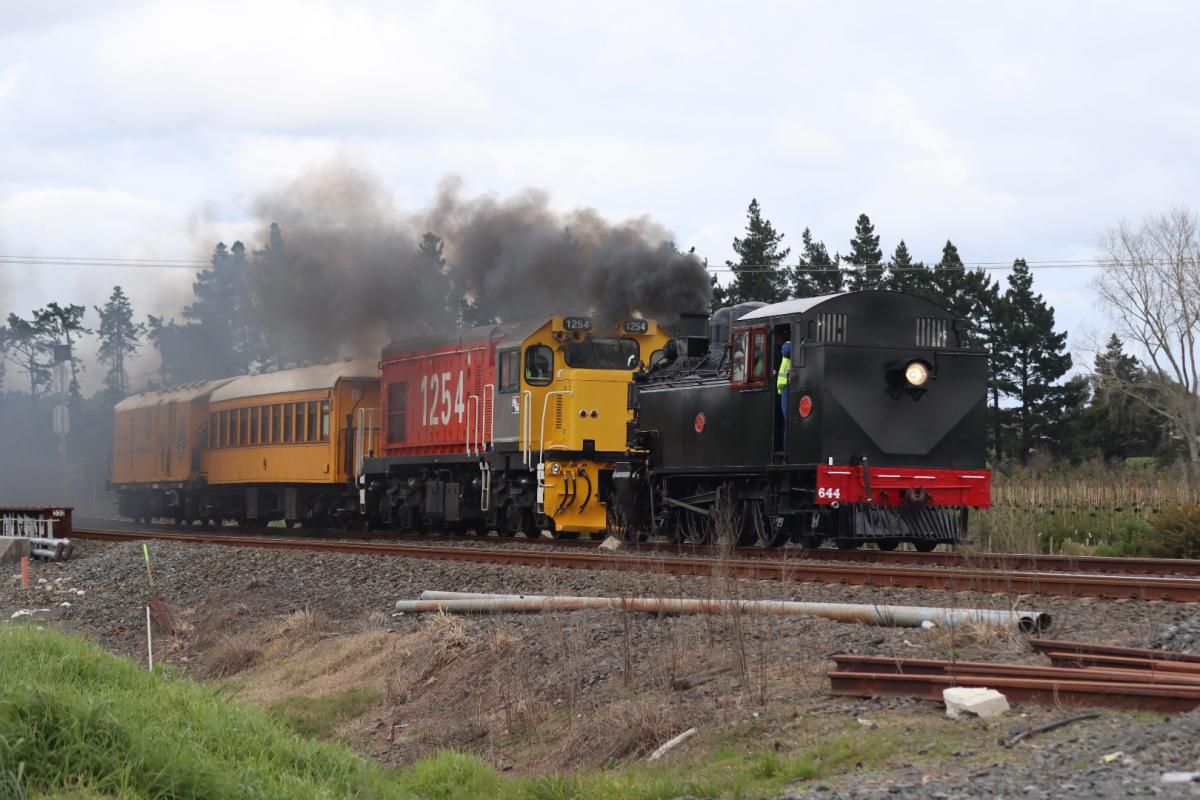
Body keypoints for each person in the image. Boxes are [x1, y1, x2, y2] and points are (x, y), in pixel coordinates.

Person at [777, 342, 792, 420]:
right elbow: (786, 351)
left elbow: (786, 351)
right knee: (786, 415)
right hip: (785, 385)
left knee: (787, 415)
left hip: (787, 385)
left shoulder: (788, 346)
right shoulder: (788, 346)